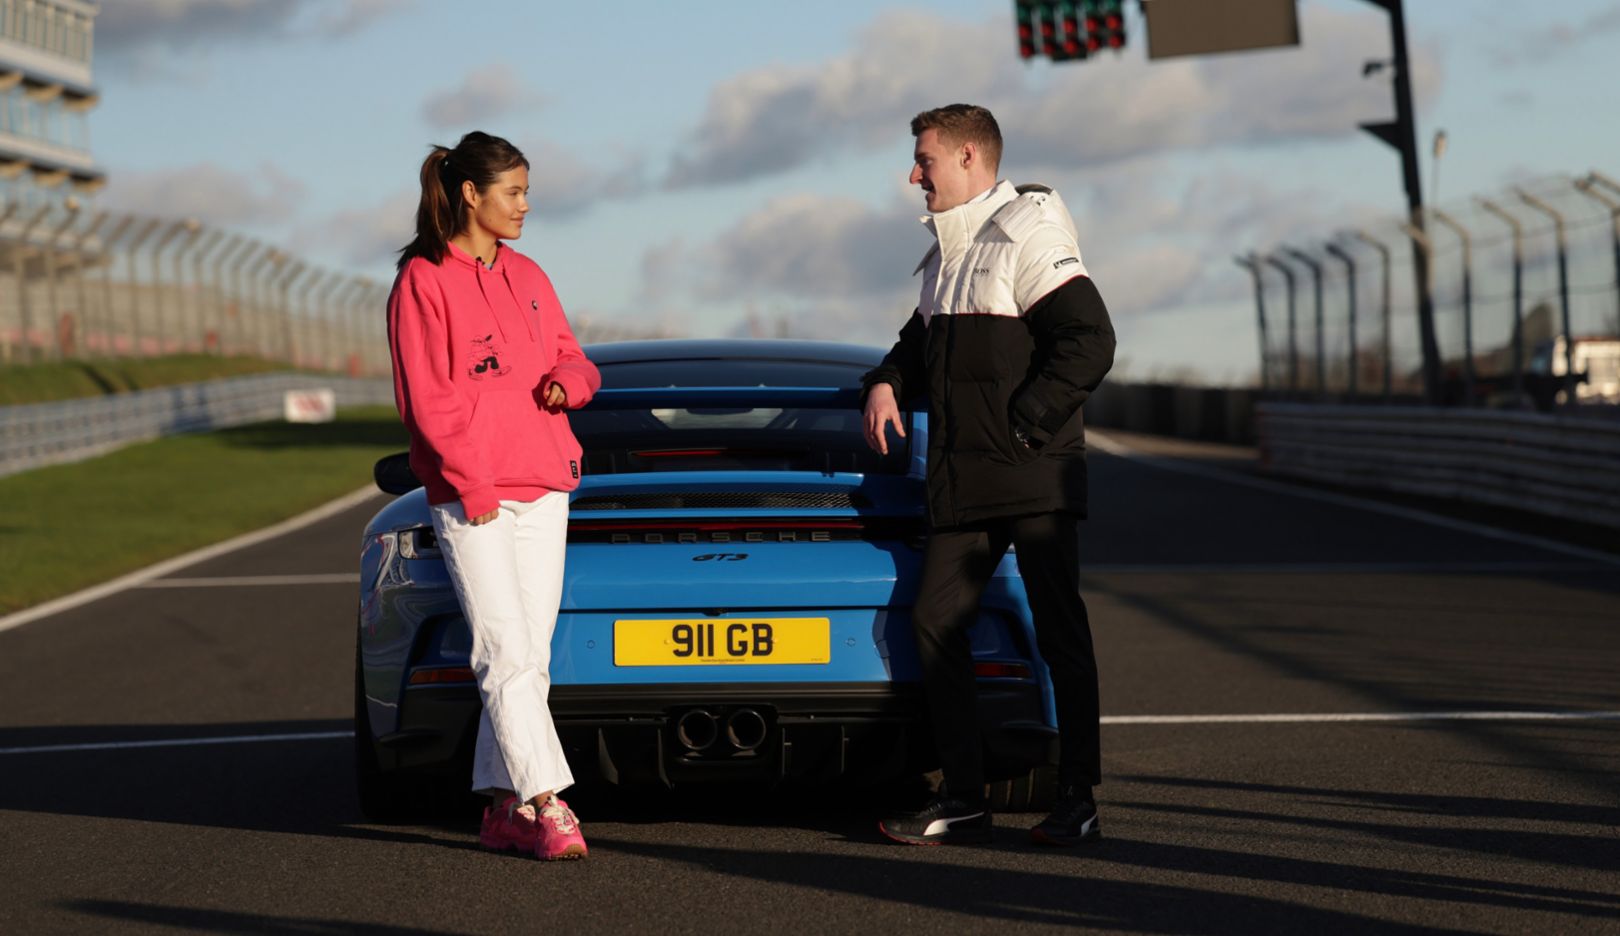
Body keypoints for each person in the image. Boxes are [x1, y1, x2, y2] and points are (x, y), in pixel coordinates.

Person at [864, 105, 1116, 846]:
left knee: (1058, 633)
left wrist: (1022, 425)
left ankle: (1078, 799)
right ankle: (965, 799)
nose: (915, 175)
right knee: (937, 622)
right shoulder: (949, 250)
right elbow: (915, 348)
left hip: (1031, 472)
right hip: (965, 482)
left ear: (970, 158)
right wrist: (883, 380)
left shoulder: (1028, 233)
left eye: (925, 160)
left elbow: (1090, 340)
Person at [387, 130, 601, 861]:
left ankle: (503, 806)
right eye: (512, 192)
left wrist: (568, 381)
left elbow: (576, 357)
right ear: (470, 194)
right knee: (502, 651)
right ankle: (549, 801)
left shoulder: (531, 275)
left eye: (527, 191)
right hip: (471, 493)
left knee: (527, 657)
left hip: (544, 484)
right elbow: (428, 399)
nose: (524, 205)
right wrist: (470, 482)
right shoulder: (422, 278)